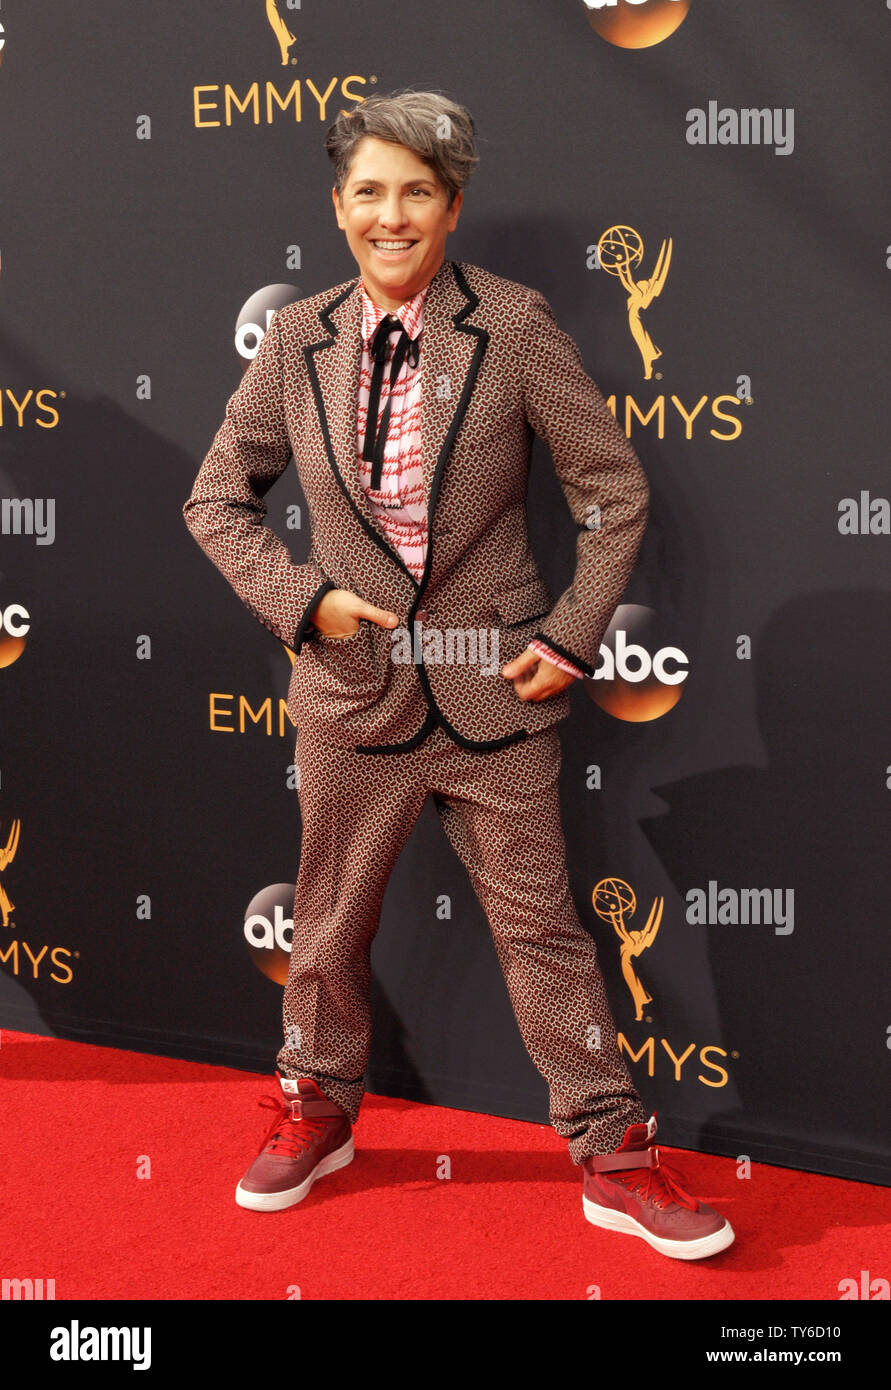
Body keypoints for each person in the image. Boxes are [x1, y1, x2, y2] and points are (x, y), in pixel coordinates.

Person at [182, 88, 735, 1260]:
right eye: (370, 192)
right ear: (338, 209)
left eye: (417, 192)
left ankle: (609, 1151)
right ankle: (319, 1108)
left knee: (545, 936)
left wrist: (577, 633)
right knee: (326, 927)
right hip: (349, 692)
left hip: (496, 688)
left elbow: (612, 488)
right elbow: (216, 500)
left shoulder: (517, 325)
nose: (393, 216)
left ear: (452, 204)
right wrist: (302, 602)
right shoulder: (296, 341)